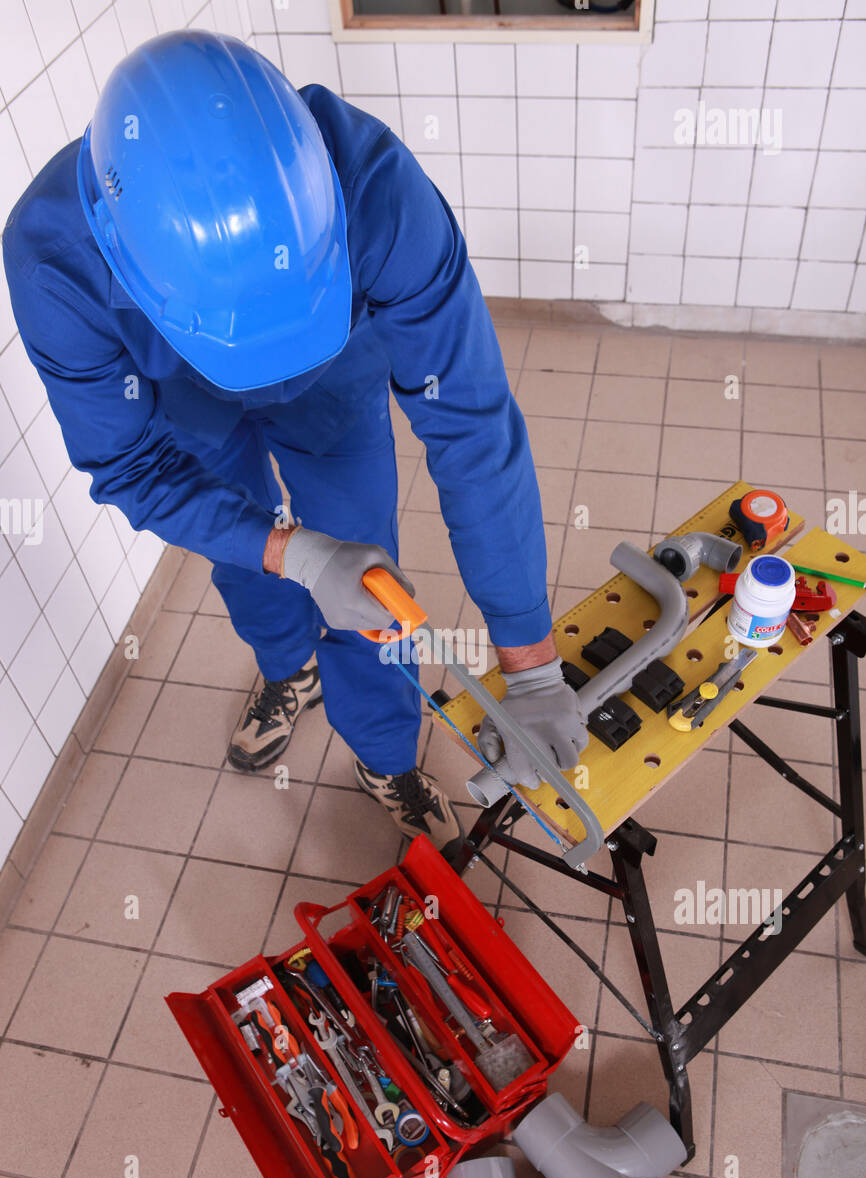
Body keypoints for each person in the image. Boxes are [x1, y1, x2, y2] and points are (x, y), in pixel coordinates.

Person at [3, 29, 586, 857]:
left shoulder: (379, 192)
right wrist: (293, 553)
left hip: (333, 390)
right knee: (250, 554)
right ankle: (287, 671)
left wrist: (529, 665)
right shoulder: (51, 258)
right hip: (185, 405)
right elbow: (132, 464)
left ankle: (385, 755)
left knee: (365, 574)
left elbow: (472, 427)